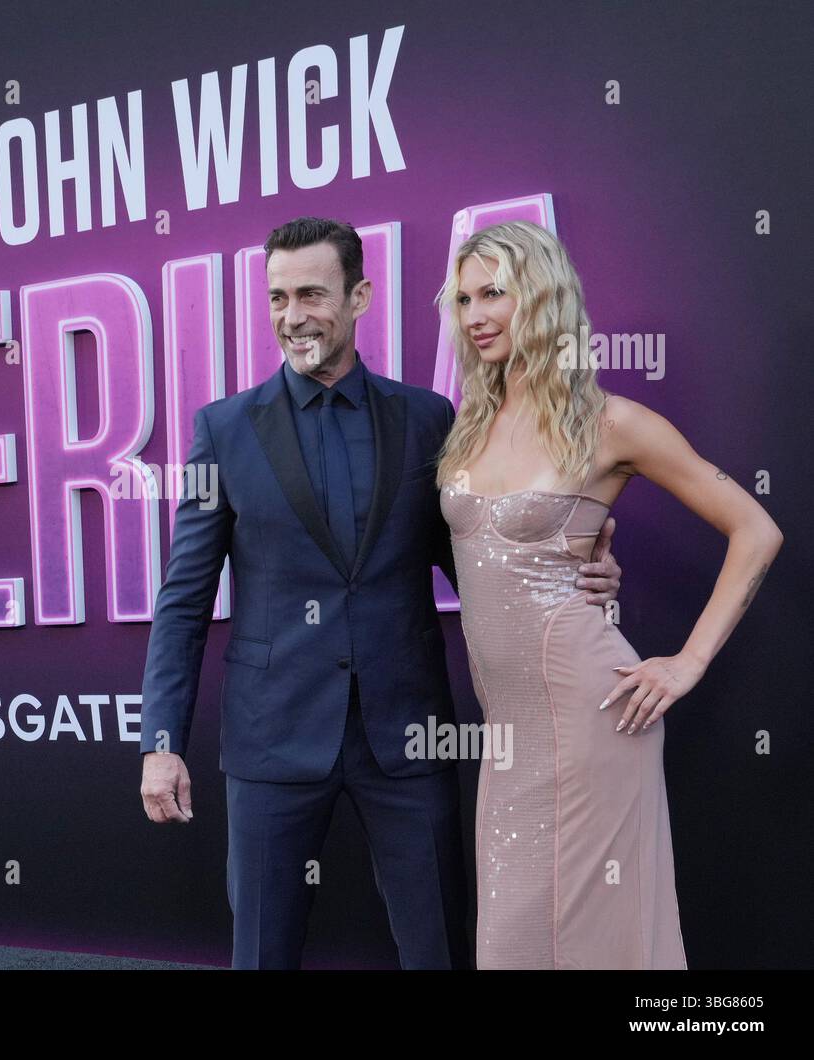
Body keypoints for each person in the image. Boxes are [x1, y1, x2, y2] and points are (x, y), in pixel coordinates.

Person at [137, 217, 623, 969]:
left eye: (311, 294)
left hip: (411, 734)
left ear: (359, 295)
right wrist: (160, 744)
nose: (292, 316)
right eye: (276, 298)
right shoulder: (224, 431)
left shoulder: (428, 417)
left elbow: (475, 561)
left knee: (437, 946)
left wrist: (568, 574)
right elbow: (183, 602)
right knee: (262, 952)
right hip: (273, 738)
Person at [435, 220, 783, 969]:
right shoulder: (469, 422)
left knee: (593, 938)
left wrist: (688, 661)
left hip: (591, 716)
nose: (477, 316)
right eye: (464, 299)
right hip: (507, 736)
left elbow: (756, 529)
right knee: (513, 941)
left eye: (495, 293)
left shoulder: (612, 422)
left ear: (545, 294)